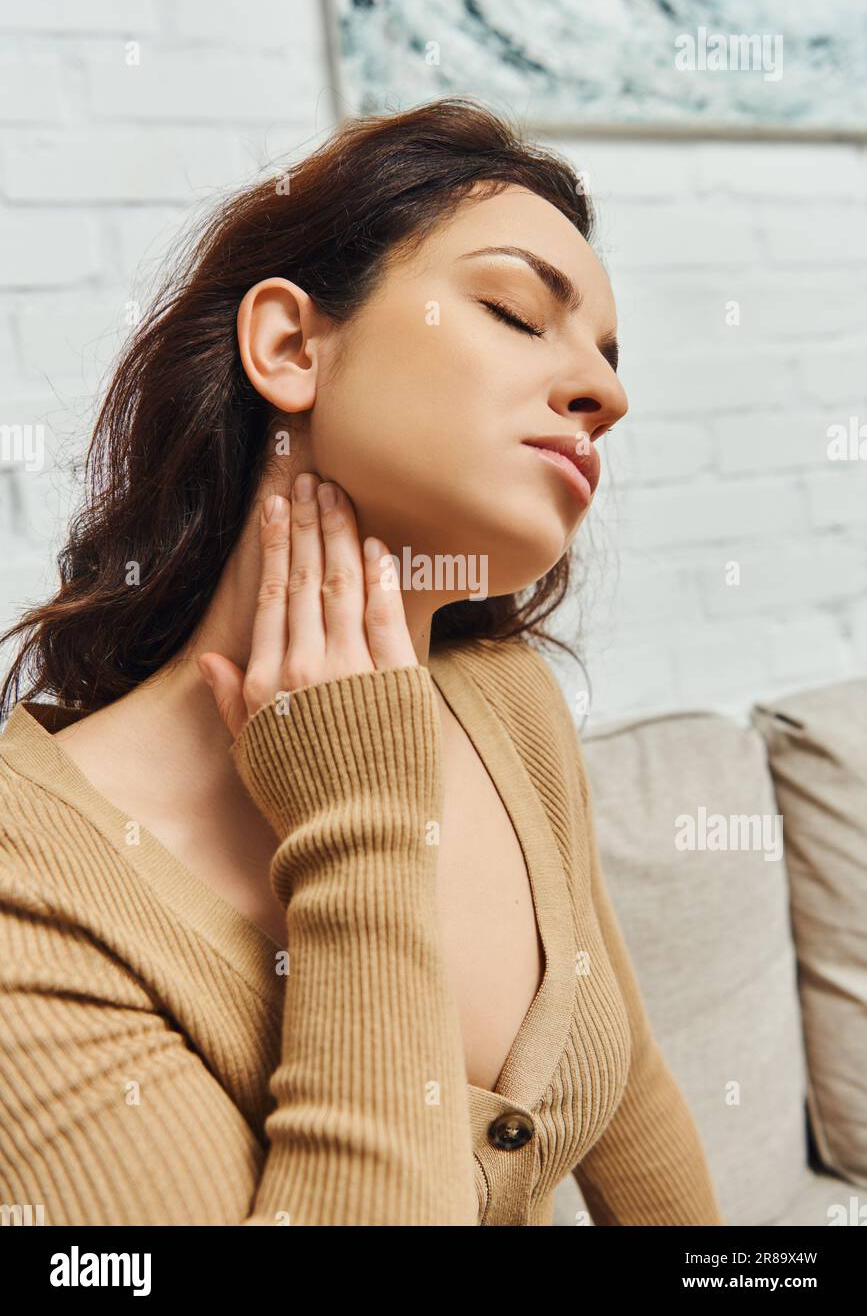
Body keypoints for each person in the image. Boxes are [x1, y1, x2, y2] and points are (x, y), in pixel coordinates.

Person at [0, 98, 723, 1226]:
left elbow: (632, 1103)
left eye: (609, 360)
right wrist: (363, 830)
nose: (609, 394)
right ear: (290, 345)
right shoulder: (29, 885)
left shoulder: (510, 705)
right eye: (517, 312)